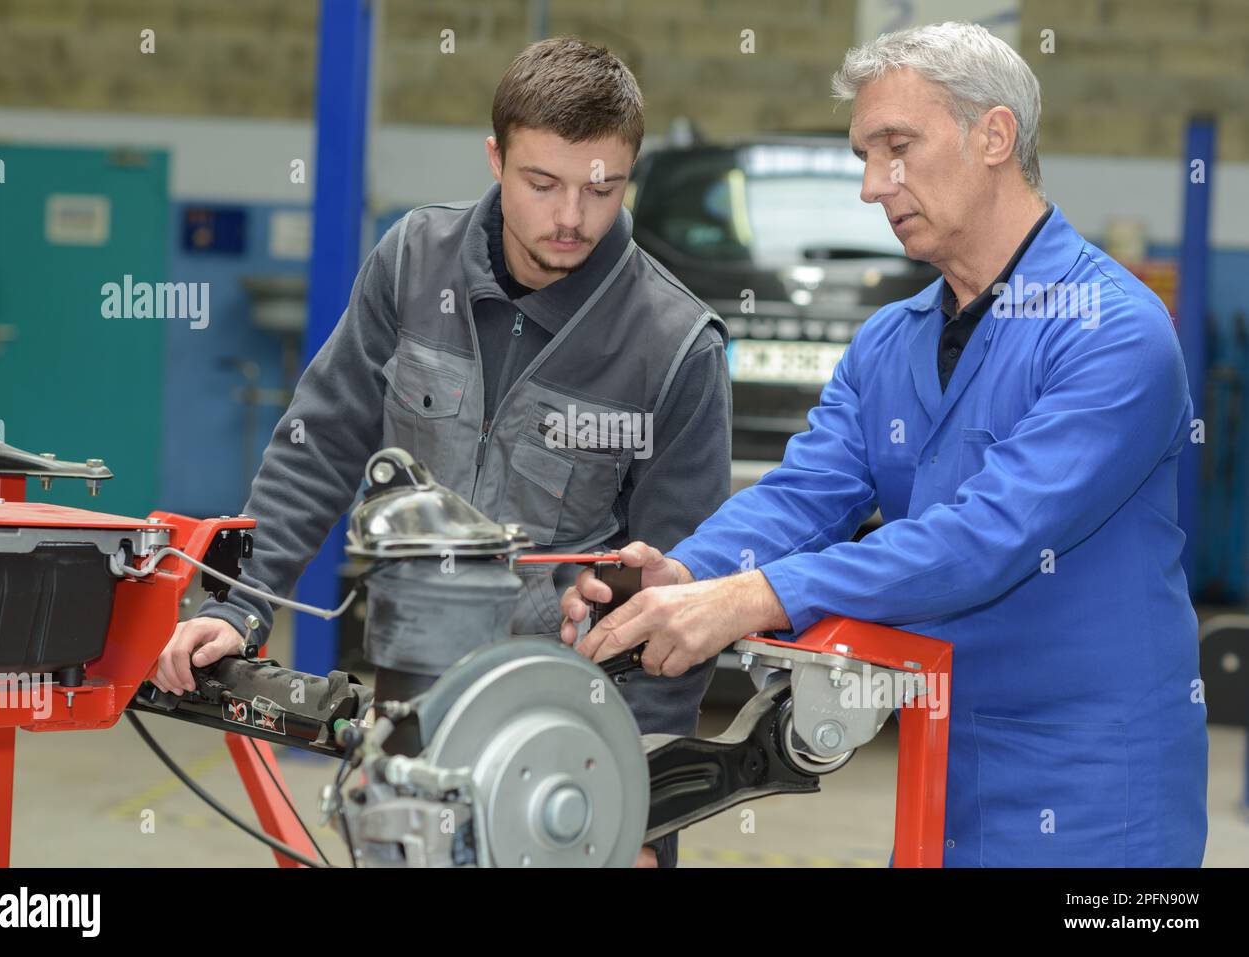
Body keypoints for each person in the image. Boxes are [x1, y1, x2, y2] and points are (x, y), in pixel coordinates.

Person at [562, 21, 1208, 867]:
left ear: (994, 135)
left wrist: (754, 597)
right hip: (940, 761)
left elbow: (985, 538)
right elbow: (806, 495)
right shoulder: (889, 343)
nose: (871, 185)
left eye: (895, 147)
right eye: (865, 154)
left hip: (1091, 785)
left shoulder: (1113, 333)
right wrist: (687, 573)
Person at [152, 37, 732, 868]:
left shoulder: (675, 347)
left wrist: (636, 808)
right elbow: (319, 440)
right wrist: (235, 604)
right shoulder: (413, 263)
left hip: (562, 748)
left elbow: (678, 594)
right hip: (405, 714)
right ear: (496, 159)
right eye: (543, 183)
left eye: (600, 187)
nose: (571, 216)